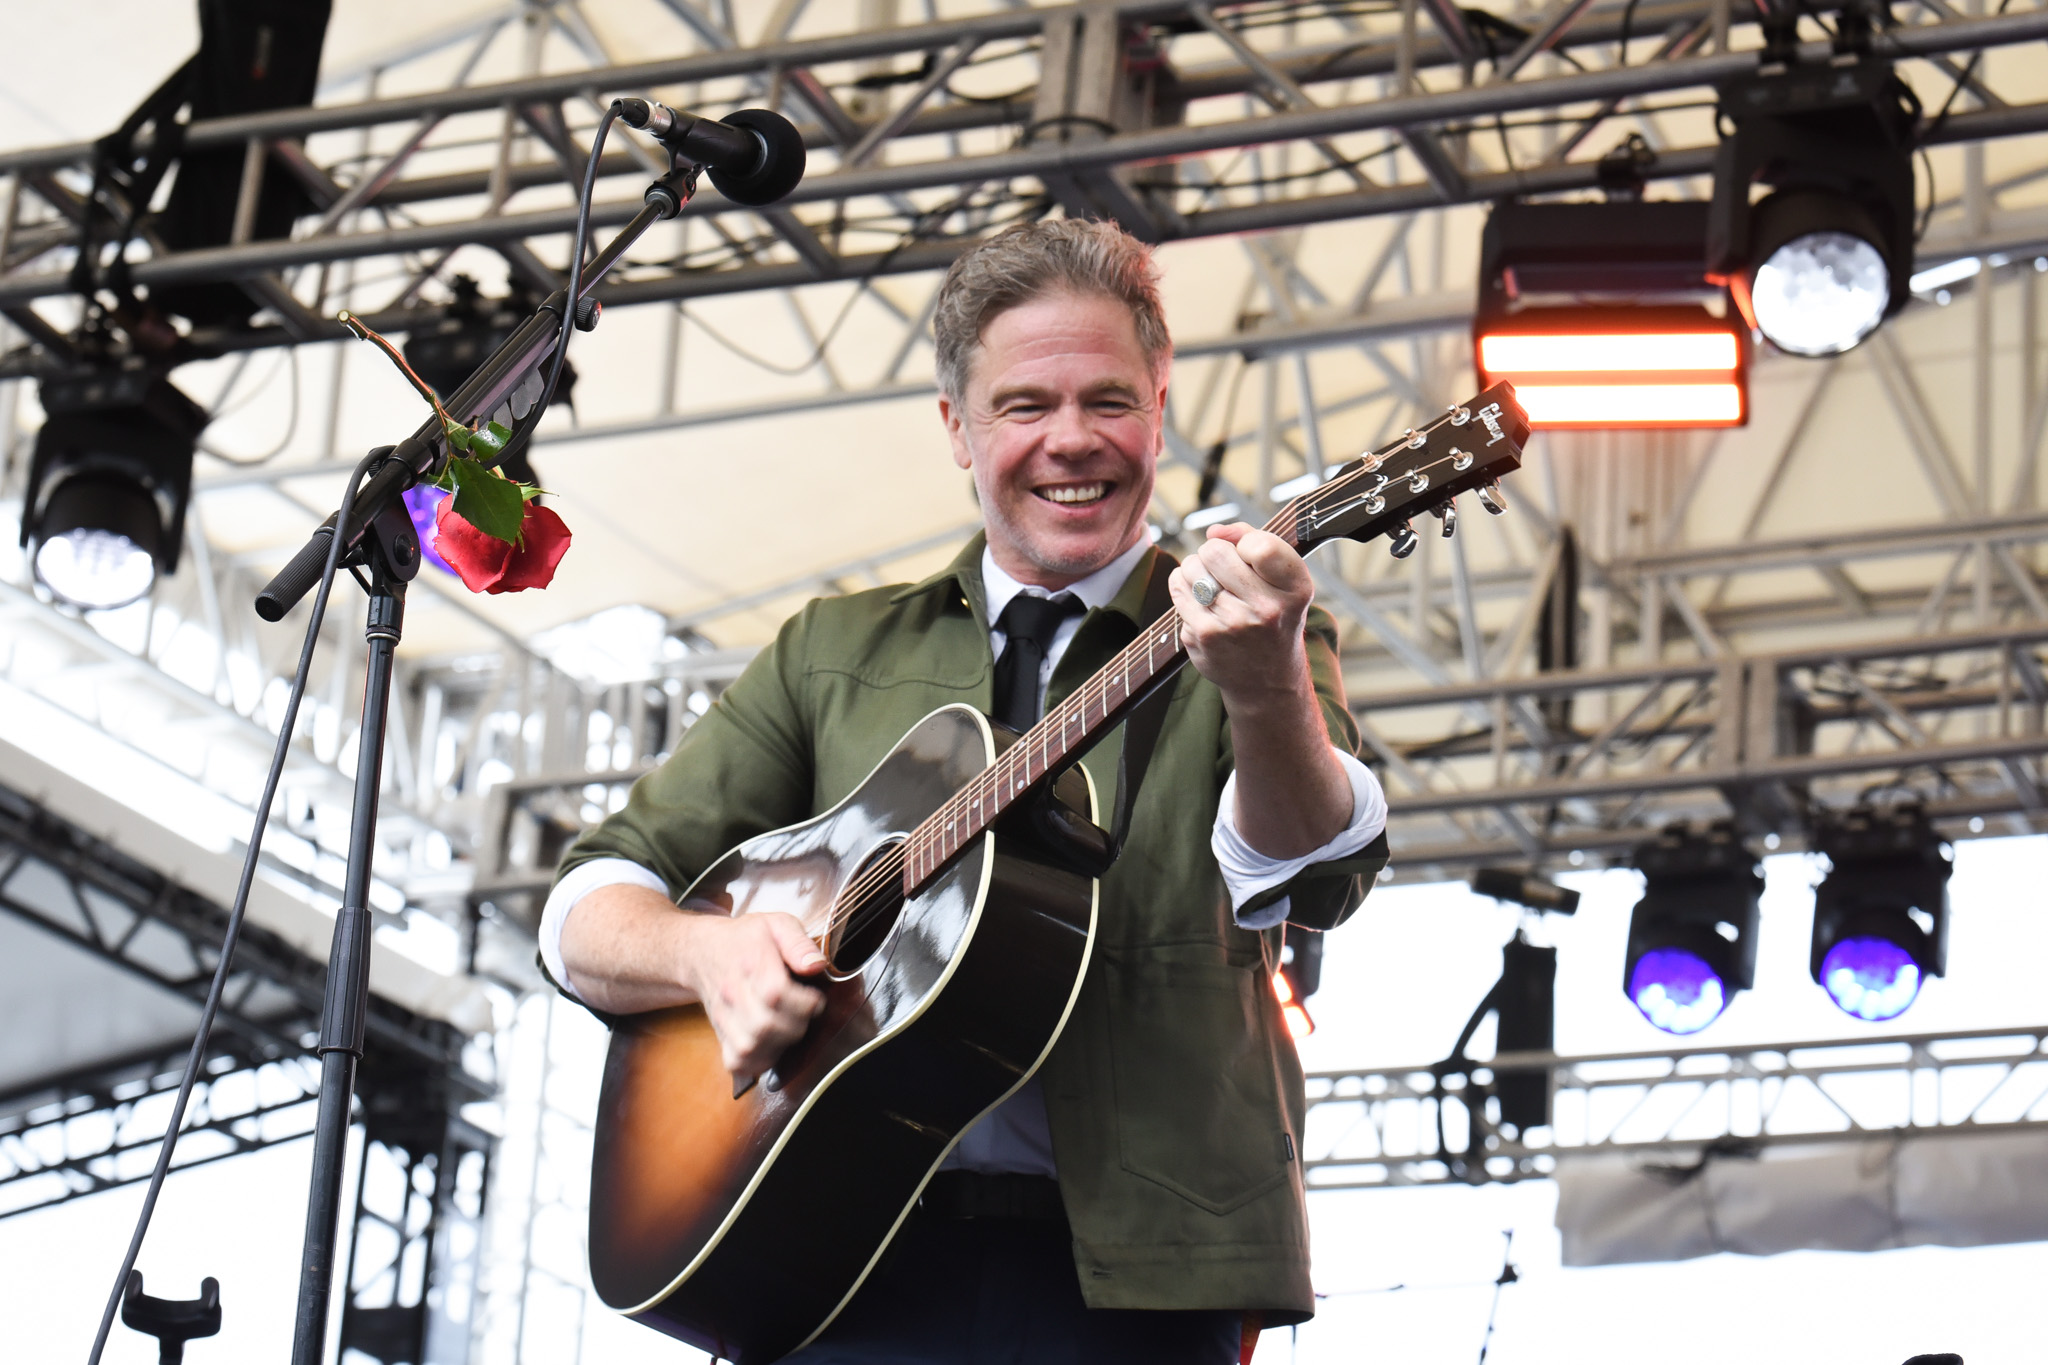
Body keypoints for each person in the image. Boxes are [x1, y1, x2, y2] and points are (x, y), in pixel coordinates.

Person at [540, 218, 1390, 1364]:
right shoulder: (830, 649)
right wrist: (707, 956)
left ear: (1159, 406)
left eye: (1108, 401)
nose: (1071, 441)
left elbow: (1317, 875)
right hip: (831, 1257)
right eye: (1024, 407)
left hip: (1138, 1284)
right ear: (956, 427)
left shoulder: (1254, 635)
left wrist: (1265, 685)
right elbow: (590, 901)